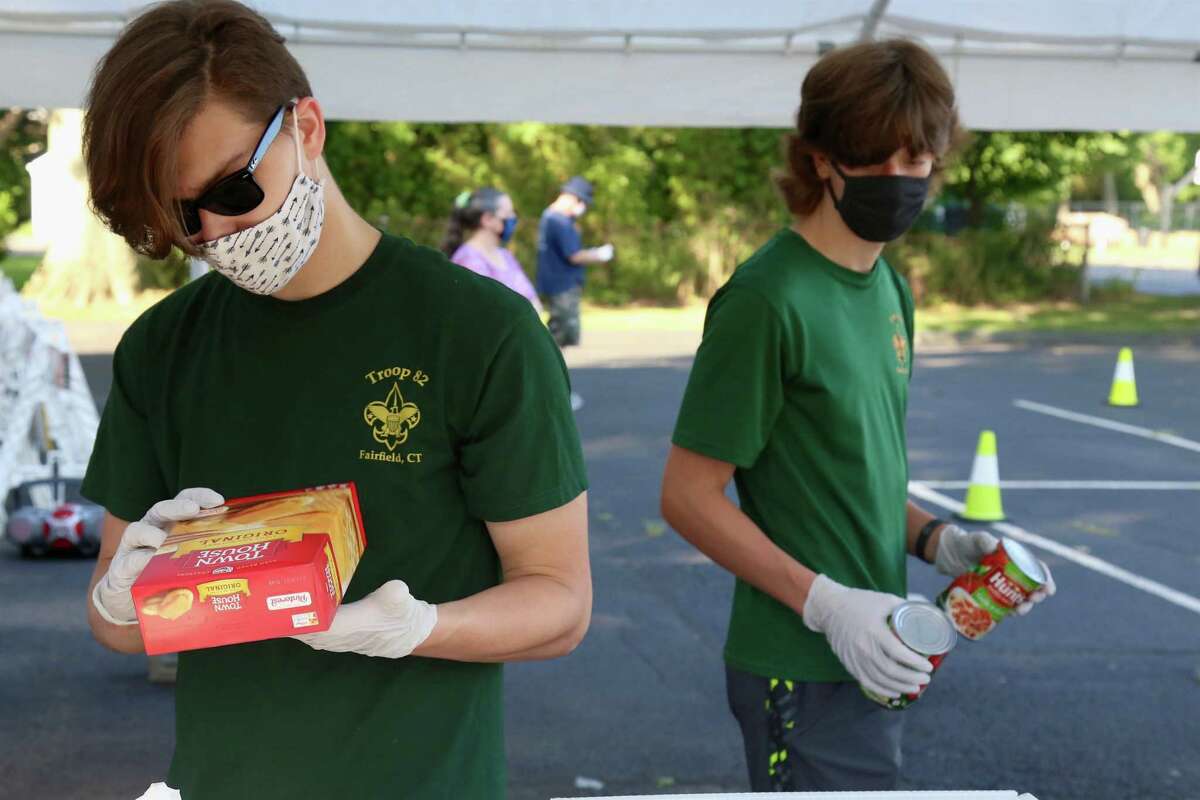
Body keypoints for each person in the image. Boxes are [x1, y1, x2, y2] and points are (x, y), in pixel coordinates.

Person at [80, 2, 591, 798]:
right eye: (181, 217)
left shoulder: (478, 332)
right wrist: (121, 591)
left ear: (306, 128)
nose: (214, 233)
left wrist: (421, 627)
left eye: (234, 189)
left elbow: (560, 602)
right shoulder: (163, 347)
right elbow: (117, 623)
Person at [659, 39, 1055, 792]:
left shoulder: (888, 289)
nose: (901, 180)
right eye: (875, 159)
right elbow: (686, 497)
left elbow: (852, 470)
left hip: (882, 652)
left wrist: (938, 542)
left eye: (918, 160)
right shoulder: (765, 301)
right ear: (819, 159)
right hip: (800, 663)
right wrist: (828, 605)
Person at [536, 176, 614, 411]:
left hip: (558, 285)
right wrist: (599, 255)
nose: (582, 208)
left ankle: (555, 389)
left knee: (561, 338)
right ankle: (553, 391)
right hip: (561, 287)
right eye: (581, 202)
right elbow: (574, 255)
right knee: (558, 338)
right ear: (572, 197)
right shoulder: (558, 221)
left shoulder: (551, 218)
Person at [442, 187, 542, 313]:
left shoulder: (505, 255)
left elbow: (531, 297)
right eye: (509, 213)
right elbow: (488, 312)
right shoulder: (468, 260)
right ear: (487, 219)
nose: (513, 218)